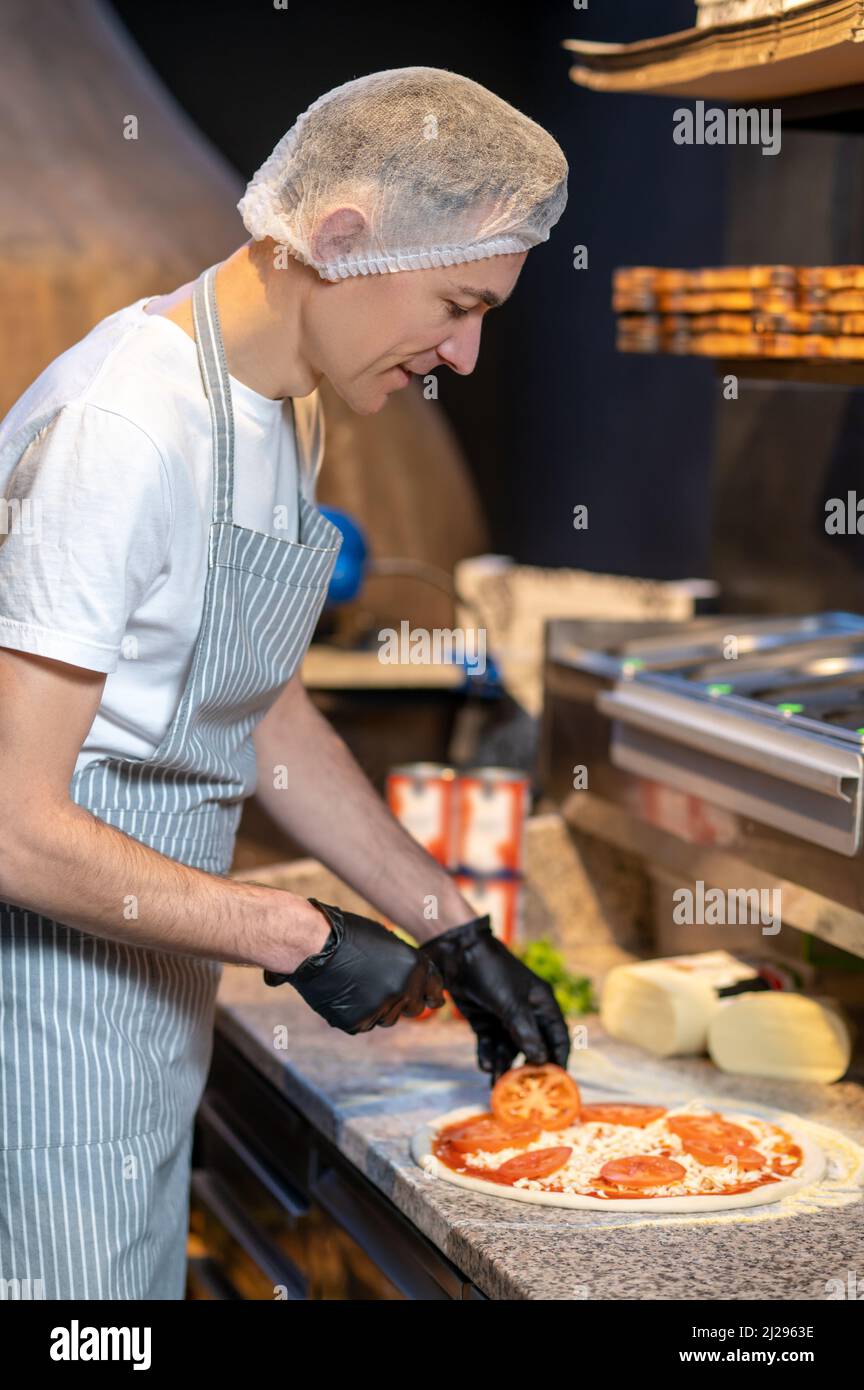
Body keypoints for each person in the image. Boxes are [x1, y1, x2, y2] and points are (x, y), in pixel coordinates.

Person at [0, 67, 570, 1299]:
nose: (466, 357)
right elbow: (13, 828)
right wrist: (294, 931)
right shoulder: (126, 427)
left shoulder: (282, 406)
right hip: (35, 991)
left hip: (145, 984)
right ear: (344, 237)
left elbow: (252, 701)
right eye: (458, 303)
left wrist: (450, 922)